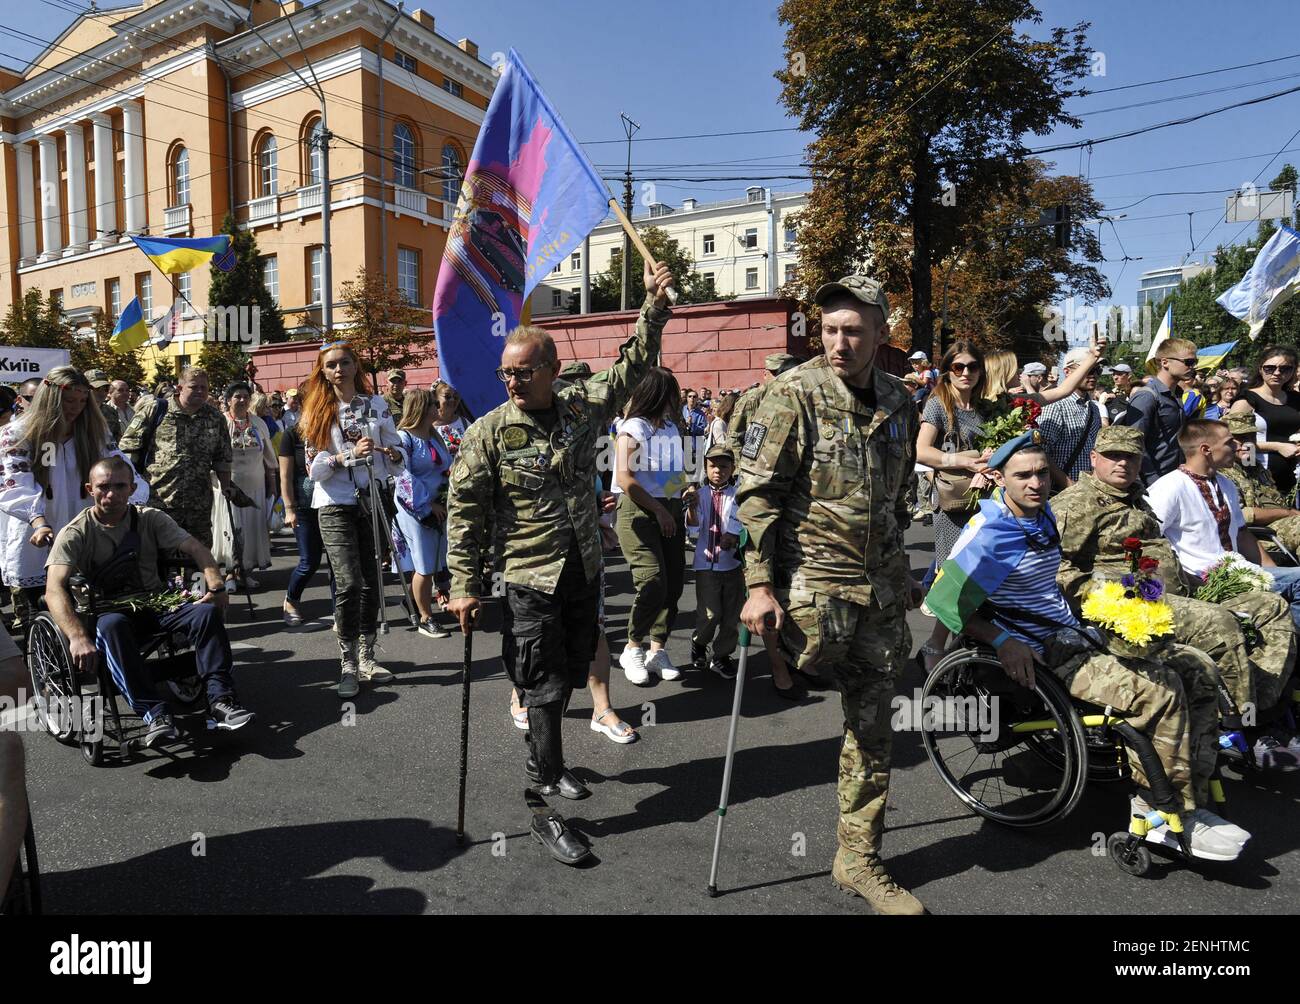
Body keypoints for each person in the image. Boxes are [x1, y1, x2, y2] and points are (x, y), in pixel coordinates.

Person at [447, 259, 673, 867]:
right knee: (543, 686)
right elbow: (464, 514)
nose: (511, 384)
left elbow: (631, 367)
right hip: (529, 577)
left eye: (522, 373)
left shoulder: (580, 408)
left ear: (551, 370)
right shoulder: (488, 434)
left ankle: (554, 764)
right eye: (505, 374)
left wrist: (653, 304)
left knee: (572, 672)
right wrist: (464, 586)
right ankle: (542, 798)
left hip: (583, 568)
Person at [925, 433, 1246, 861]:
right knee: (1159, 691)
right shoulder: (991, 536)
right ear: (999, 478)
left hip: (1075, 628)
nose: (1036, 482)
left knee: (1198, 667)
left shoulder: (1040, 517)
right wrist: (1003, 641)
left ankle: (1193, 792)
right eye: (1023, 476)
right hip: (1043, 646)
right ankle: (1158, 812)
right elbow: (943, 604)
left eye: (1042, 472)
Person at [738, 274, 924, 914]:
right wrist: (759, 586)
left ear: (880, 334)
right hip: (812, 588)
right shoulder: (793, 394)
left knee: (873, 726)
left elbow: (897, 500)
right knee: (823, 692)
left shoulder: (902, 402)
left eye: (853, 330)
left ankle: (859, 857)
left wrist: (903, 576)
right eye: (829, 330)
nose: (839, 342)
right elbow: (757, 497)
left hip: (877, 592)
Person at [1053, 424, 1297, 767]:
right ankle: (1239, 729)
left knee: (1270, 606)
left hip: (1182, 590)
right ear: (1094, 459)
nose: (1122, 464)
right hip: (1134, 606)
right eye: (1113, 456)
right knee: (1220, 625)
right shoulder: (1075, 504)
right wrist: (1107, 594)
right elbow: (1056, 567)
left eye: (1131, 457)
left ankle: (1257, 711)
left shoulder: (1138, 497)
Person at [44, 456, 255, 749]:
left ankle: (221, 700)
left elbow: (196, 548)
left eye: (120, 486)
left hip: (156, 603)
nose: (112, 494)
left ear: (131, 488)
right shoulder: (76, 533)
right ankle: (156, 714)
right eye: (104, 487)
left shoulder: (149, 518)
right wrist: (77, 637)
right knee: (114, 624)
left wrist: (217, 586)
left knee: (205, 613)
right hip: (106, 612)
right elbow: (53, 589)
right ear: (89, 489)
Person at [915, 341, 1099, 669]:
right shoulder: (938, 404)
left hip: (993, 496)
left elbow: (1055, 393)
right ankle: (934, 644)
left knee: (993, 576)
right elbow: (921, 451)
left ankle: (981, 637)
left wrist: (1091, 359)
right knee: (957, 575)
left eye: (973, 367)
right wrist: (966, 462)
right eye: (959, 367)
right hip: (957, 501)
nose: (967, 373)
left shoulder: (992, 406)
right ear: (947, 370)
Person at [301, 342, 406, 697]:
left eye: (344, 362)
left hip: (371, 500)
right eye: (331, 365)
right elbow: (313, 470)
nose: (338, 370)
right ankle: (346, 661)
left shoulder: (375, 405)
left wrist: (391, 451)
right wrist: (344, 456)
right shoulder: (317, 410)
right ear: (323, 371)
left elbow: (398, 453)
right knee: (348, 582)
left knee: (372, 579)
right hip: (334, 503)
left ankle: (366, 656)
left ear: (355, 364)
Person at [0, 367, 148, 603]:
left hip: (82, 527)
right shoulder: (18, 433)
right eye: (69, 400)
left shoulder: (94, 432)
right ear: (51, 399)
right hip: (38, 529)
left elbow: (120, 466)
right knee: (41, 604)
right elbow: (15, 483)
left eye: (82, 401)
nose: (75, 407)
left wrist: (131, 497)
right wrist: (38, 521)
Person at [1148, 419, 1300, 631]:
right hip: (1203, 580)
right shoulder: (1169, 487)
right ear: (1206, 449)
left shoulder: (1224, 483)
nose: (1237, 447)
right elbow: (1150, 541)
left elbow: (1242, 534)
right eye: (1230, 442)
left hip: (1239, 571)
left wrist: (1272, 573)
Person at [614, 367, 690, 685]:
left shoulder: (671, 427)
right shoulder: (633, 427)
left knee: (673, 586)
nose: (678, 399)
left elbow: (672, 473)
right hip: (640, 512)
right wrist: (659, 509)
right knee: (652, 582)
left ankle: (657, 650)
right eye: (673, 393)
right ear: (660, 395)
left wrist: (685, 491)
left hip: (668, 510)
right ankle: (633, 646)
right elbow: (624, 478)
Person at [118, 366, 240, 549]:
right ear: (180, 388)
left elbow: (222, 457)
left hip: (198, 504)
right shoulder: (157, 410)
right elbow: (128, 447)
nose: (200, 391)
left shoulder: (215, 417)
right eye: (194, 387)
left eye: (204, 388)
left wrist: (226, 486)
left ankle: (196, 579)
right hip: (160, 500)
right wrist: (130, 486)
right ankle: (164, 579)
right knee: (159, 554)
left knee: (199, 555)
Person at [392, 388, 454, 639]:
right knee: (425, 564)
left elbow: (444, 468)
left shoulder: (434, 436)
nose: (437, 407)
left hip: (440, 506)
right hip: (416, 510)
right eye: (431, 403)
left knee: (438, 559)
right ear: (419, 408)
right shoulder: (403, 439)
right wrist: (429, 505)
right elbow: (402, 478)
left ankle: (416, 603)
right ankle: (425, 618)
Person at [687, 443, 745, 680]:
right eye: (712, 466)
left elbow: (744, 522)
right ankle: (699, 643)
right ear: (705, 468)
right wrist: (690, 507)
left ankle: (722, 656)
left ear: (733, 468)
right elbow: (693, 529)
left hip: (733, 565)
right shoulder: (699, 495)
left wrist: (734, 534)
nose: (718, 470)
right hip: (706, 565)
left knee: (732, 617)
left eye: (723, 466)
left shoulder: (739, 495)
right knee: (710, 614)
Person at [210, 382, 277, 587]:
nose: (242, 400)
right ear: (228, 400)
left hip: (256, 486)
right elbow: (211, 456)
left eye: (246, 396)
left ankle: (246, 571)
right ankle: (231, 572)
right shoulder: (220, 423)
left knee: (251, 529)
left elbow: (268, 458)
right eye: (237, 396)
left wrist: (273, 486)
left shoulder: (258, 423)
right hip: (229, 487)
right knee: (232, 528)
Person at [1221, 408, 1300, 557]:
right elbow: (1242, 515)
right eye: (1241, 438)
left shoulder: (1255, 466)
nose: (1248, 443)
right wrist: (1287, 513)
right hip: (1257, 534)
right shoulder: (1222, 472)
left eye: (1252, 437)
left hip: (1280, 526)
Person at [1119, 338, 1197, 487]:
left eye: (1194, 362)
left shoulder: (1176, 394)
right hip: (1154, 484)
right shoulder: (1147, 396)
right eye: (1188, 362)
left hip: (1174, 479)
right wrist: (1153, 481)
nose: (1193, 367)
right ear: (1165, 362)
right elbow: (1134, 444)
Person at [278, 414, 331, 626]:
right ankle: (291, 600)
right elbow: (285, 476)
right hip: (303, 507)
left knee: (337, 563)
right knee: (309, 561)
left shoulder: (329, 429)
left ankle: (341, 610)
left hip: (330, 504)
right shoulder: (292, 434)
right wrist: (289, 509)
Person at [1230, 345, 1300, 502]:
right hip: (1259, 478)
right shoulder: (1247, 399)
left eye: (1285, 369)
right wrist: (1278, 446)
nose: (1277, 373)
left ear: (1292, 371)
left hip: (1292, 475)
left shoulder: (1296, 399)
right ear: (1260, 369)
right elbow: (1233, 444)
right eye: (1270, 368)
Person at [1038, 346, 1106, 485]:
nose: (1093, 375)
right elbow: (1041, 452)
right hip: (1058, 494)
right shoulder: (1055, 405)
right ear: (1067, 372)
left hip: (1085, 491)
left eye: (1097, 370)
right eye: (1088, 370)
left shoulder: (1094, 408)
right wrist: (1068, 485)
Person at [84, 369, 120, 443]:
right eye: (97, 388)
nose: (102, 393)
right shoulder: (77, 410)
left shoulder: (111, 411)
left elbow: (116, 438)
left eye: (106, 389)